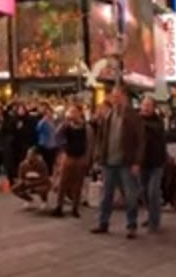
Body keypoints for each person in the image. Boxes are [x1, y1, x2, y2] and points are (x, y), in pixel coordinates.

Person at [91, 86, 145, 239]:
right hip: (109, 161)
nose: (114, 99)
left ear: (124, 97)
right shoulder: (109, 115)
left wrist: (137, 162)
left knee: (130, 195)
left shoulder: (133, 116)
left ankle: (131, 225)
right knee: (106, 195)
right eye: (113, 96)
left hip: (126, 162)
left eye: (116, 96)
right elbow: (102, 138)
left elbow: (141, 141)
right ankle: (103, 223)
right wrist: (99, 156)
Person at [53, 105, 89, 218]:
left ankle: (75, 208)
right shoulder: (67, 125)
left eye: (74, 111)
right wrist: (63, 148)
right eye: (71, 111)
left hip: (80, 157)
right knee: (63, 182)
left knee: (78, 184)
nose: (72, 114)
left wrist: (88, 158)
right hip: (69, 156)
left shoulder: (86, 127)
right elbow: (57, 135)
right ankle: (59, 206)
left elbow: (90, 142)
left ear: (80, 113)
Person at [139, 98, 168, 232]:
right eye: (144, 105)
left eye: (149, 105)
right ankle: (150, 215)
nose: (146, 108)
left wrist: (138, 121)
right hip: (142, 162)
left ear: (153, 107)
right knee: (144, 192)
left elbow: (155, 129)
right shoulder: (137, 120)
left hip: (156, 163)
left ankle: (154, 222)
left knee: (153, 192)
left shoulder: (158, 122)